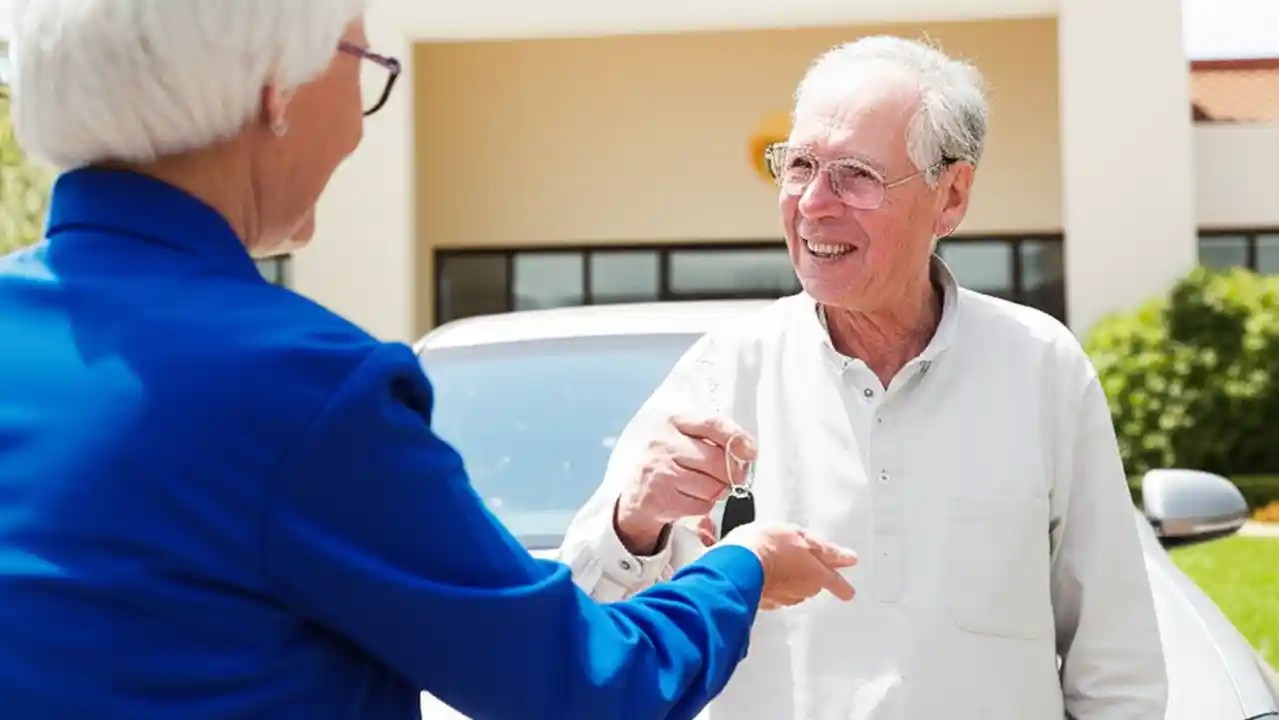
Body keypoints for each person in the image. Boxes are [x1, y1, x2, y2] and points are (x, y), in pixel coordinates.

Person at [0, 3, 860, 719]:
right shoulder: (302, 387)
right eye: (361, 59)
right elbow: (583, 685)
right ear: (276, 92)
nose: (360, 116)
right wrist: (739, 570)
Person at [559, 35, 1168, 719]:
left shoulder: (1041, 368)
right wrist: (635, 521)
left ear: (952, 196)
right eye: (799, 165)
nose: (815, 202)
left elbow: (1118, 667)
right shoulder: (725, 371)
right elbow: (574, 636)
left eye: (855, 174)